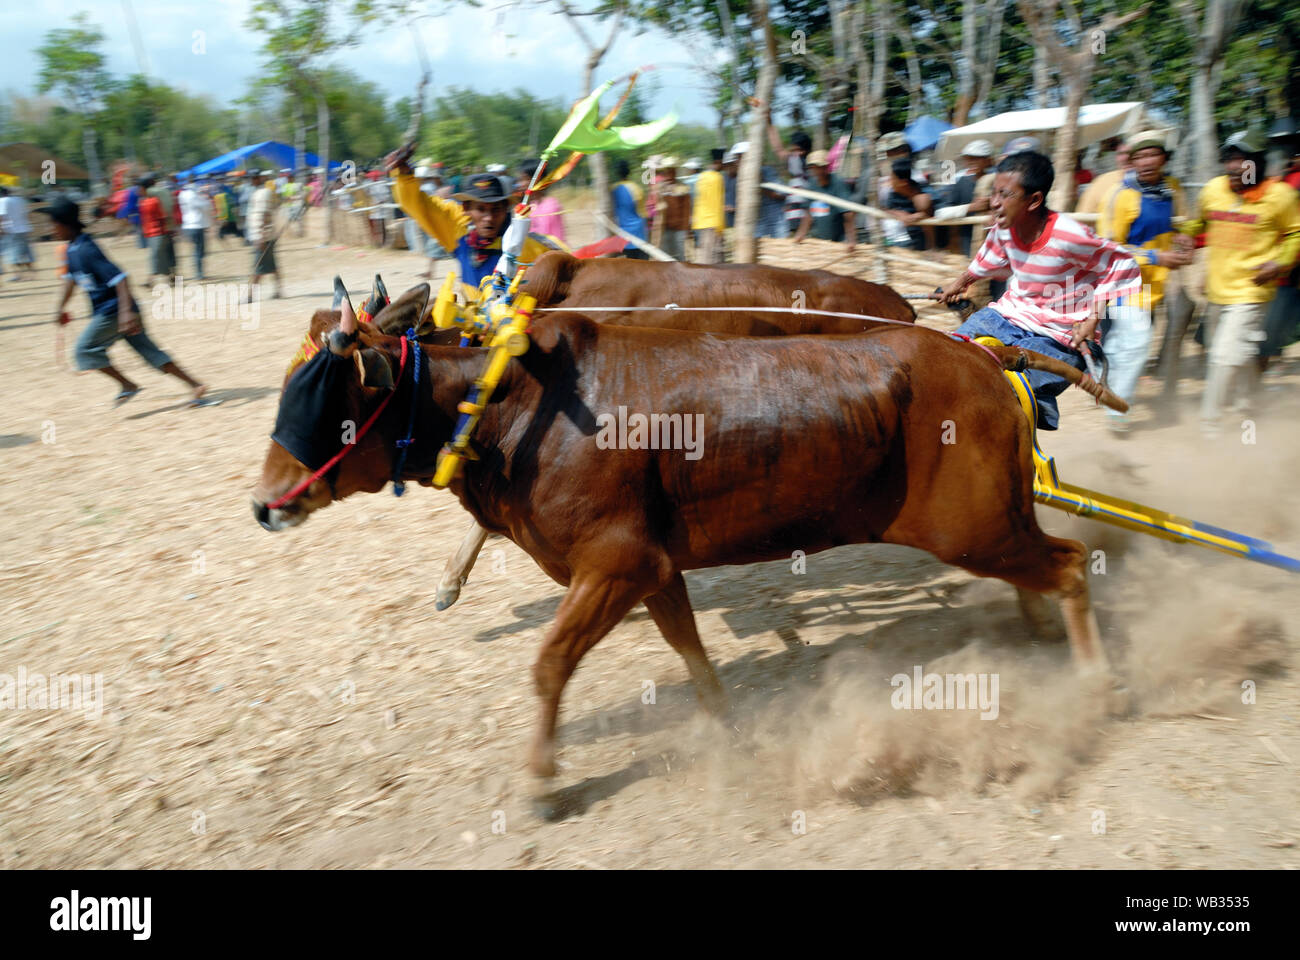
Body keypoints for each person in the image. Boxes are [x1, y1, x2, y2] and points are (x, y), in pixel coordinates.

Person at [938, 151, 1143, 431]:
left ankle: (1027, 423)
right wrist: (961, 282)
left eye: (1005, 194)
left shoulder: (1069, 235)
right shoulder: (1005, 226)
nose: (995, 202)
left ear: (1034, 200)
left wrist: (1092, 318)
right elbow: (991, 254)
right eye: (994, 192)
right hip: (1007, 317)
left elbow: (1121, 264)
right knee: (946, 359)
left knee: (1003, 392)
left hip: (1059, 335)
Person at [1180, 131, 1300, 434]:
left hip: (1253, 290)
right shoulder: (1213, 190)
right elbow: (1199, 222)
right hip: (1218, 291)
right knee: (1240, 352)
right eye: (1229, 160)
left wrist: (1281, 262)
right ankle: (1250, 399)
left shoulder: (1281, 196)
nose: (1234, 167)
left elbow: (1296, 233)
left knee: (1222, 355)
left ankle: (1210, 425)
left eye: (1242, 160)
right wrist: (1187, 236)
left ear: (1258, 163)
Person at [41, 197, 210, 406]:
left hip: (115, 311)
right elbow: (70, 281)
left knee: (83, 350)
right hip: (119, 311)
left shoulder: (87, 249)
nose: (51, 229)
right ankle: (195, 385)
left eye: (53, 224)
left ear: (64, 224)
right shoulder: (72, 249)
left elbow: (121, 279)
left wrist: (126, 314)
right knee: (149, 351)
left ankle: (127, 385)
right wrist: (60, 308)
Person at [1094, 130, 1193, 432]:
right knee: (1138, 342)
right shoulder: (1120, 196)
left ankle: (1099, 370)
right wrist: (1156, 257)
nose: (1147, 162)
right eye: (1140, 156)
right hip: (1123, 282)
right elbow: (1109, 246)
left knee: (1125, 342)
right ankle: (1117, 409)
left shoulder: (1172, 189)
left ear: (1164, 158)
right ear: (1131, 161)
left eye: (1153, 155)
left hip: (1155, 285)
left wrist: (1184, 238)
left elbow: (1183, 221)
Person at [385, 143, 566, 302]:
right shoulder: (458, 231)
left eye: (496, 210)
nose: (488, 218)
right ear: (466, 209)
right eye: (481, 210)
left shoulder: (522, 246)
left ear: (505, 210)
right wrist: (404, 175)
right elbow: (419, 205)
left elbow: (565, 265)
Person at [933, 139, 995, 255]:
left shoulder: (999, 181)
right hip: (970, 244)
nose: (972, 162)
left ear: (988, 160)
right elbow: (940, 212)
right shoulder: (962, 183)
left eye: (977, 158)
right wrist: (971, 207)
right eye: (969, 158)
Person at [792, 149, 856, 252]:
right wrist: (800, 234)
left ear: (827, 167)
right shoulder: (811, 185)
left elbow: (848, 214)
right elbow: (808, 213)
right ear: (811, 169)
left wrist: (851, 239)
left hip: (839, 240)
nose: (819, 171)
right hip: (820, 240)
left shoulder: (838, 184)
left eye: (822, 167)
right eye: (815, 168)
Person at [244, 170, 282, 300]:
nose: (251, 180)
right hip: (263, 235)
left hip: (263, 236)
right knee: (271, 265)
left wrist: (261, 236)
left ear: (258, 179)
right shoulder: (258, 192)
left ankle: (250, 296)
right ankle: (278, 290)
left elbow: (265, 215)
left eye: (253, 178)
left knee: (257, 266)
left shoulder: (263, 193)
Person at [882, 159, 933, 249]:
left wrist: (922, 215)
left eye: (893, 178)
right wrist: (899, 214)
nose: (890, 181)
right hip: (901, 240)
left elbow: (931, 224)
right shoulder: (893, 194)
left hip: (922, 242)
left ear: (903, 182)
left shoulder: (922, 193)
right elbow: (885, 209)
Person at [650, 157, 692, 261]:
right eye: (667, 171)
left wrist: (686, 228)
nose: (669, 174)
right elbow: (656, 208)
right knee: (666, 257)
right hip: (665, 228)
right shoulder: (660, 188)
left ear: (675, 172)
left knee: (680, 255)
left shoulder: (683, 188)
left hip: (679, 228)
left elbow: (687, 210)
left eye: (671, 171)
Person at [1077, 139, 1132, 216]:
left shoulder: (1151, 182)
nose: (1126, 158)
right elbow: (1083, 215)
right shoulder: (1101, 181)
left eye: (1130, 153)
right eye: (1121, 153)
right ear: (1116, 157)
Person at [137, 175, 175, 285]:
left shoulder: (152, 202)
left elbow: (162, 216)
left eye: (140, 188)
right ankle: (173, 279)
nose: (138, 191)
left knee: (155, 256)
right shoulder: (145, 202)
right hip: (158, 232)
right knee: (166, 256)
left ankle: (150, 281)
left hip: (158, 232)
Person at [691, 148, 727, 263]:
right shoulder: (718, 178)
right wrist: (720, 228)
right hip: (714, 223)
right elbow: (717, 202)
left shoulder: (701, 177)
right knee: (714, 260)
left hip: (701, 222)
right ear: (719, 162)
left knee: (704, 256)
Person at [609, 158, 649, 258]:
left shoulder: (613, 189)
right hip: (639, 234)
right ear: (629, 172)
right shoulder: (636, 188)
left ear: (618, 173)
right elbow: (643, 213)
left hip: (622, 234)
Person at [177, 175, 211, 280]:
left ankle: (198, 271)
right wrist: (206, 198)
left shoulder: (182, 194)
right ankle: (199, 273)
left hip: (187, 225)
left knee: (197, 250)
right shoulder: (193, 194)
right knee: (199, 251)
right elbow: (206, 206)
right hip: (196, 225)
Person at [0, 187, 35, 281]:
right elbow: (27, 214)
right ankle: (32, 274)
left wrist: (1, 229)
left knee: (12, 254)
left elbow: (2, 216)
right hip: (24, 229)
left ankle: (17, 275)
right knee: (25, 252)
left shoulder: (3, 201)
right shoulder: (20, 200)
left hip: (11, 230)